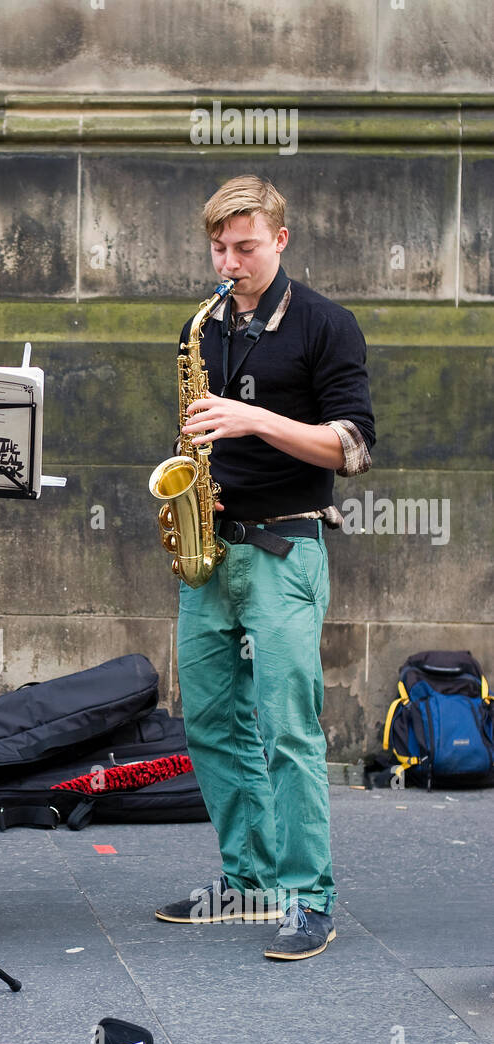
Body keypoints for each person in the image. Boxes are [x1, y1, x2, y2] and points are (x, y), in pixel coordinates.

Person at [155, 175, 375, 961]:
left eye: (244, 246)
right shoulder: (203, 327)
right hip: (213, 549)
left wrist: (253, 417)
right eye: (219, 246)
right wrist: (196, 495)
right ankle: (248, 880)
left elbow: (351, 446)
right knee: (212, 723)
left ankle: (310, 898)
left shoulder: (326, 325)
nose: (229, 261)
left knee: (288, 729)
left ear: (280, 239)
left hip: (287, 546)